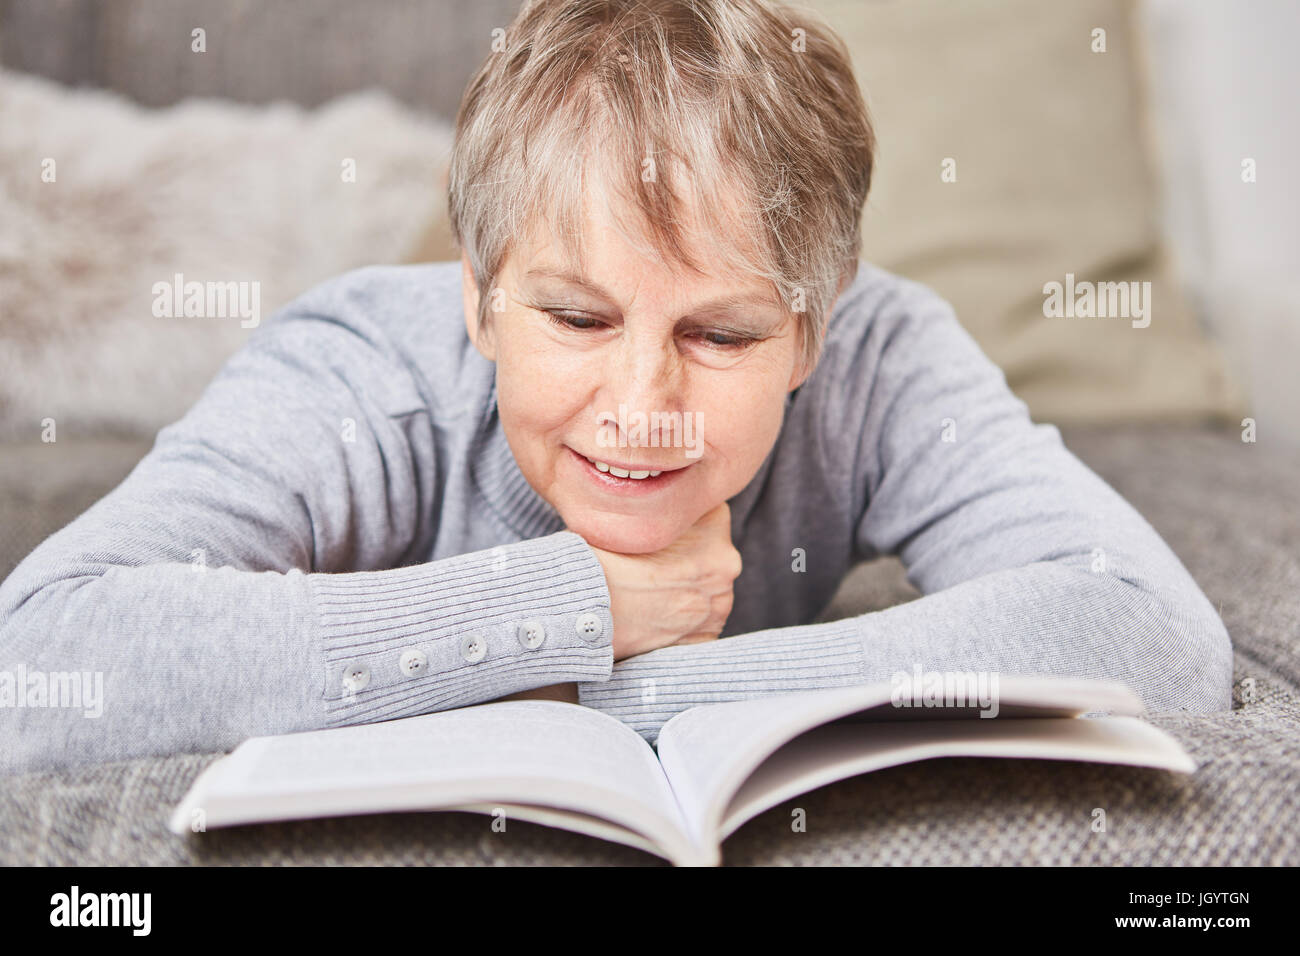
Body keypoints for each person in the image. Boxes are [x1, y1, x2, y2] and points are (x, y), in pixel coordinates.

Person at [0, 0, 1232, 776]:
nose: (641, 402)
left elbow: (1149, 632)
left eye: (723, 334)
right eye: (577, 316)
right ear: (479, 296)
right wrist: (570, 597)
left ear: (813, 326)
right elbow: (39, 658)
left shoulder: (883, 360)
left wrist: (628, 684)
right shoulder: (359, 370)